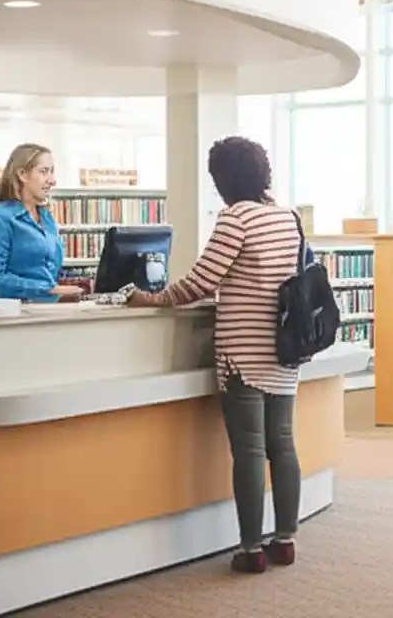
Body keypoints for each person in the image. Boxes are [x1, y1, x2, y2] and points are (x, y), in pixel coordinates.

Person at [126, 136, 303, 575]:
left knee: (248, 450)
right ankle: (285, 541)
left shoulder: (234, 219)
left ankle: (250, 550)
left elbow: (201, 281)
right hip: (284, 348)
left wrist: (152, 299)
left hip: (244, 351)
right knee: (282, 445)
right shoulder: (288, 217)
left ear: (223, 180)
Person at [0, 143, 83, 303]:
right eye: (44, 171)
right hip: (13, 316)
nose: (52, 180)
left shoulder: (47, 218)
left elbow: (46, 271)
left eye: (52, 171)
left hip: (48, 311)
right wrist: (48, 290)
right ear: (22, 174)